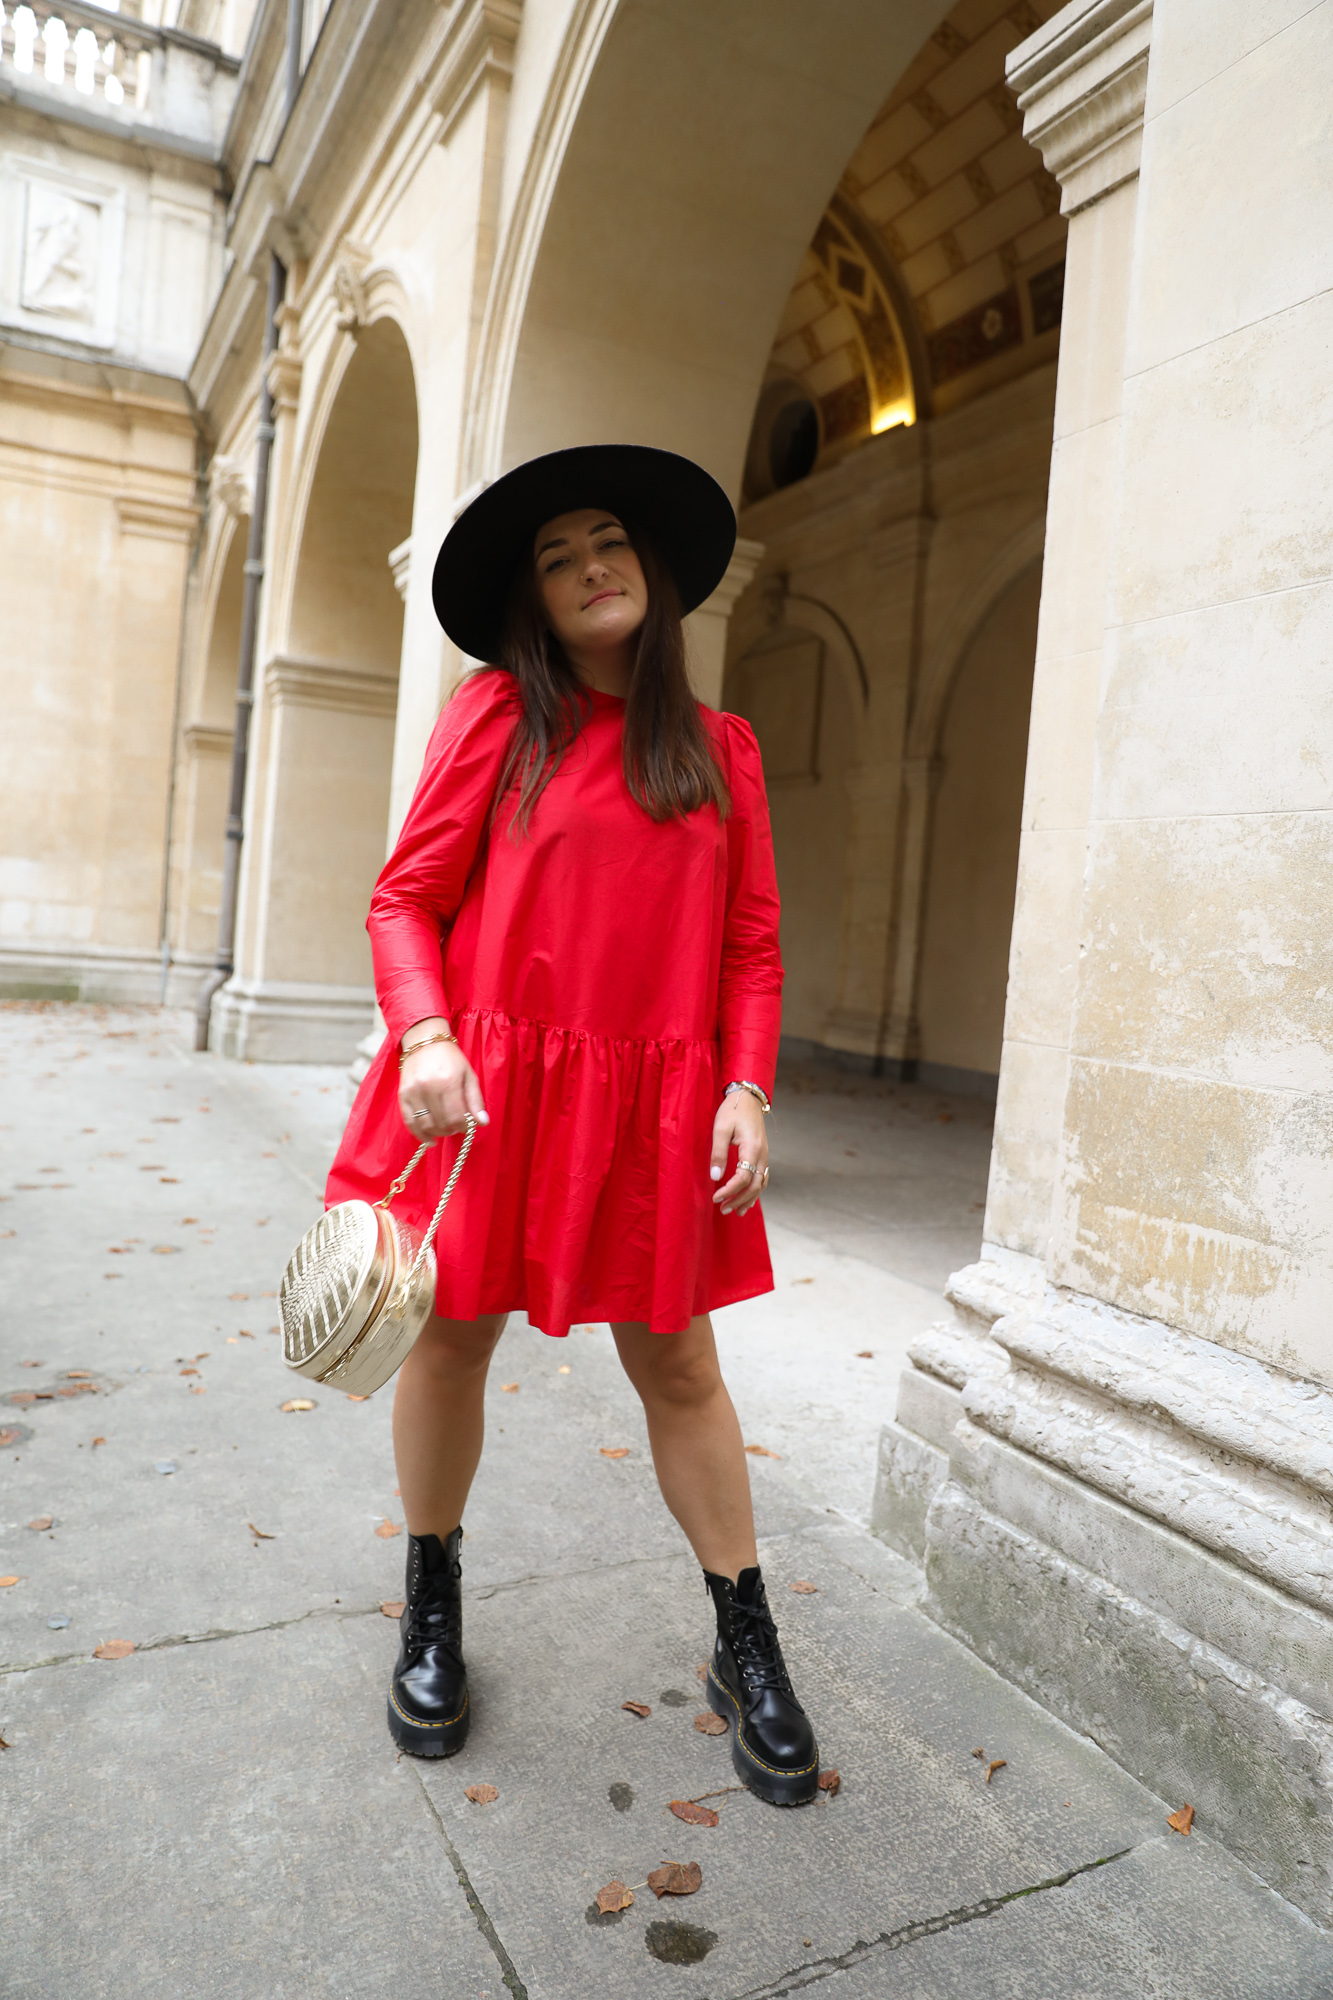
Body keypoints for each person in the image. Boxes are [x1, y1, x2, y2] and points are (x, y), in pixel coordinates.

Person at [327, 444, 819, 1806]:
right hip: (487, 1088)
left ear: (651, 573)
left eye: (607, 543)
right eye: (555, 557)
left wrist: (744, 1085)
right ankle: (432, 1606)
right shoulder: (498, 717)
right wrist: (424, 1031)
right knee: (451, 1338)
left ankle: (747, 1644)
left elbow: (754, 949)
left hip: (656, 1104)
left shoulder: (721, 752)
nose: (590, 565)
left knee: (679, 1371)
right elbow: (401, 898)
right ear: (533, 605)